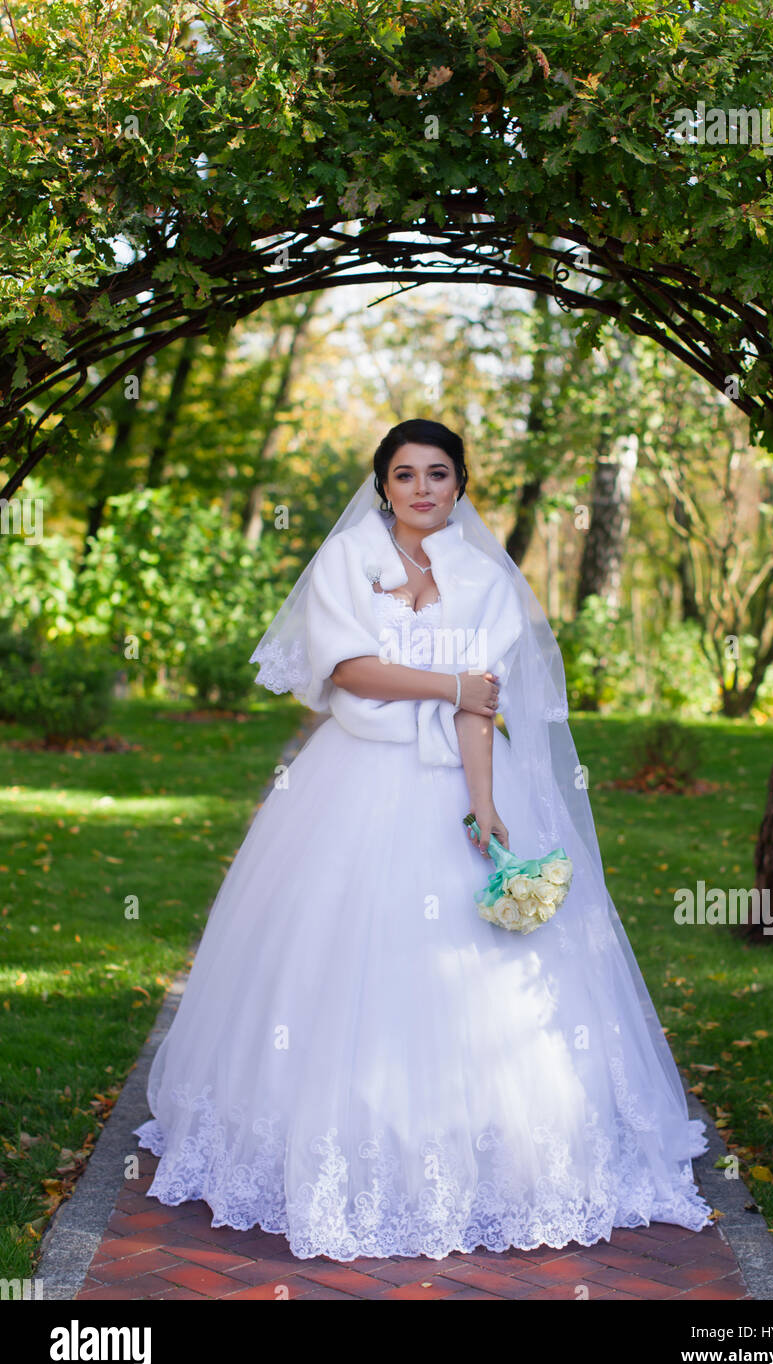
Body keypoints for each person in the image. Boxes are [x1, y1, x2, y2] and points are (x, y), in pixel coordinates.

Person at [134, 418, 712, 1261]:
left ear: (460, 484)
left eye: (438, 473)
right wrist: (449, 683)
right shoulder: (346, 562)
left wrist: (482, 802)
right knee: (334, 951)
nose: (421, 489)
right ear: (383, 486)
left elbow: (480, 706)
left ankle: (497, 1148)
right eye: (404, 474)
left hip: (450, 773)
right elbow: (349, 670)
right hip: (355, 778)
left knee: (480, 955)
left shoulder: (486, 579)